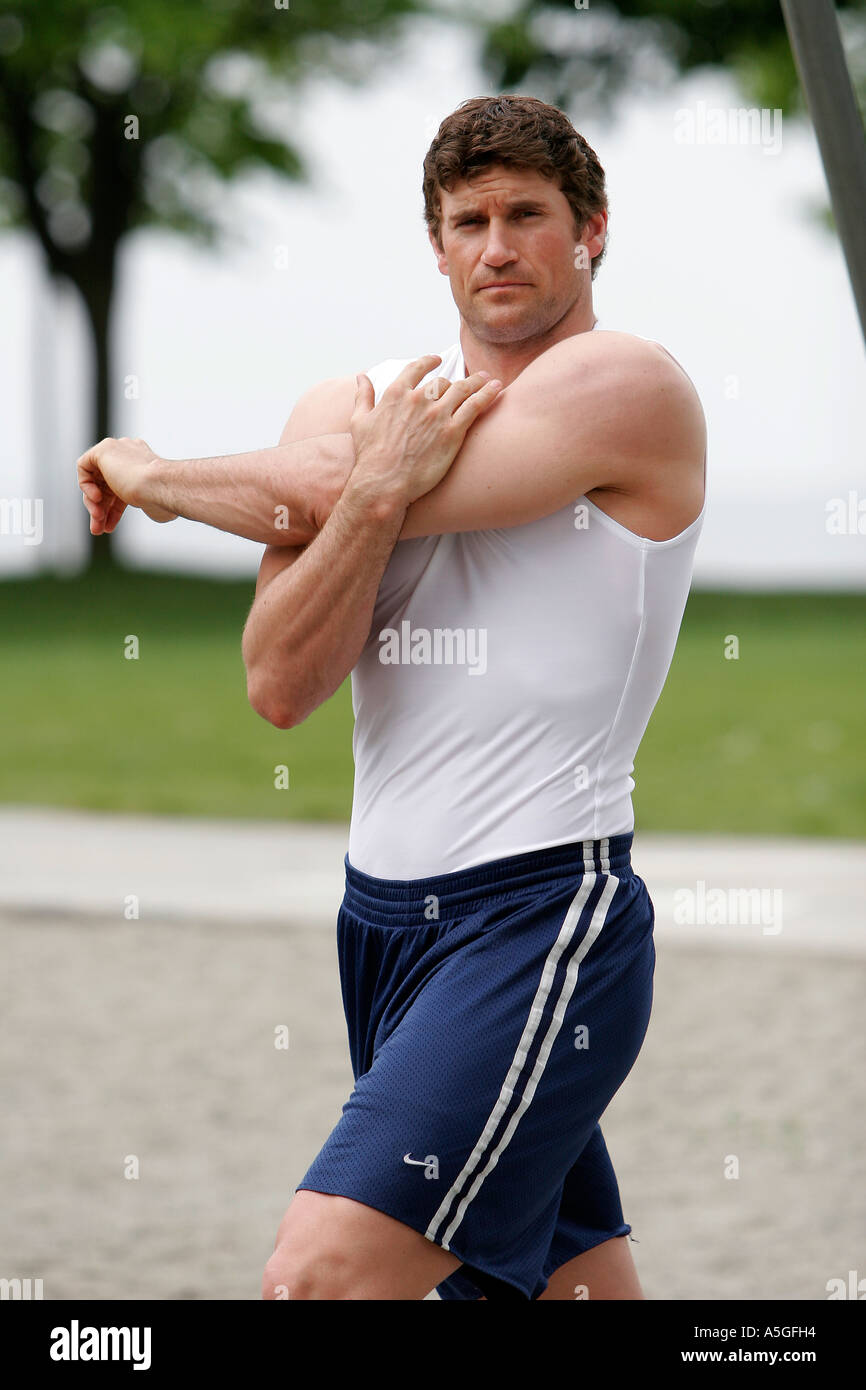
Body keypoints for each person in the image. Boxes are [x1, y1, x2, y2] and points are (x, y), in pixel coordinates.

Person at [77, 93, 707, 1300]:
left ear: (593, 232)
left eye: (528, 214)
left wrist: (153, 474)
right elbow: (278, 684)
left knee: (319, 1276)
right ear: (433, 244)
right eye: (466, 219)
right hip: (377, 929)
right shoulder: (346, 411)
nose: (496, 245)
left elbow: (325, 482)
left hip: (537, 918)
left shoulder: (626, 388)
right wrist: (364, 498)